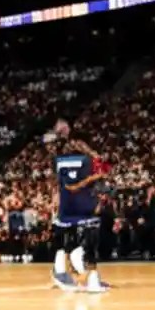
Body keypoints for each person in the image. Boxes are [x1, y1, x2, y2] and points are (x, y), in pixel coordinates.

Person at [50, 119, 111, 293]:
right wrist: (91, 179)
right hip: (74, 204)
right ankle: (70, 273)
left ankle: (83, 275)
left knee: (78, 240)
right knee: (75, 240)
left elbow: (104, 168)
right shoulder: (73, 160)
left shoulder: (81, 159)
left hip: (79, 204)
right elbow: (71, 186)